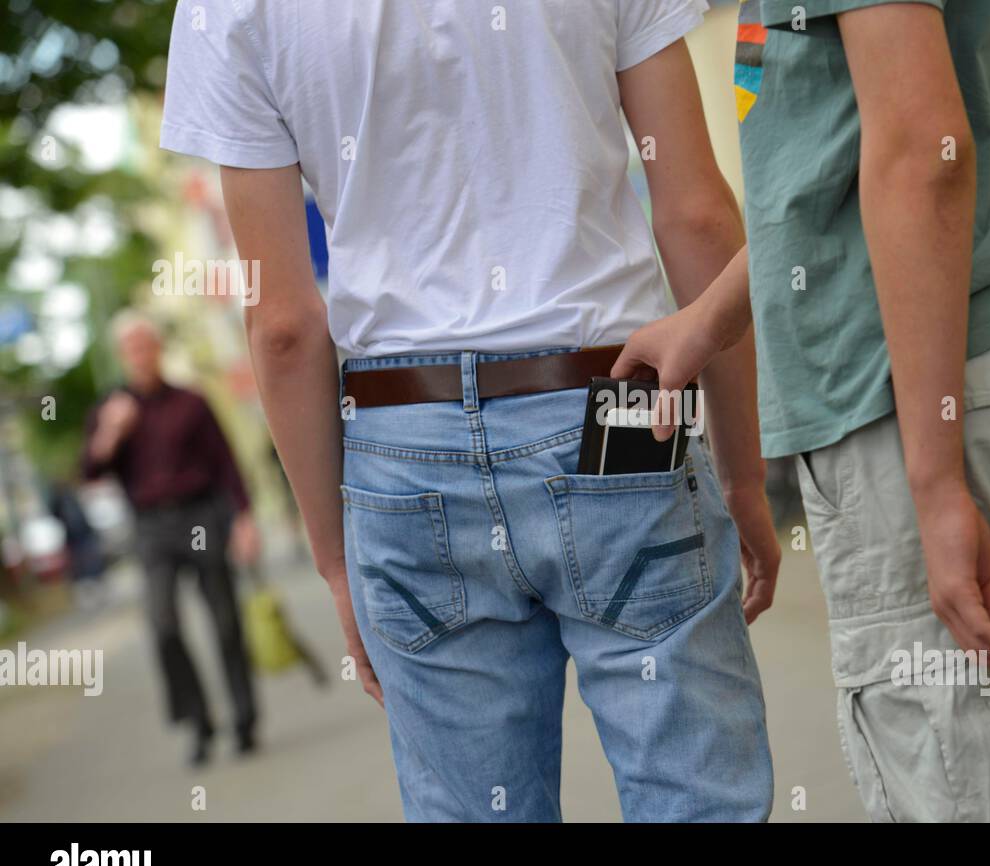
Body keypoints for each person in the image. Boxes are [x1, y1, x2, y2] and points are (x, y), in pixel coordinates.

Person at [159, 0, 779, 822]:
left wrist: (335, 560)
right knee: (697, 797)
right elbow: (697, 215)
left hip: (402, 440)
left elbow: (283, 328)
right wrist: (742, 474)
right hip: (617, 406)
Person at [617, 0, 990, 821]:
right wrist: (713, 316)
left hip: (935, 389)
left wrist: (936, 478)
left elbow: (922, 148)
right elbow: (857, 145)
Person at [82, 312, 261, 765]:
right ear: (123, 357)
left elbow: (225, 461)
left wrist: (243, 519)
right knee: (163, 625)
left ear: (158, 349)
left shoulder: (191, 401)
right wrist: (111, 432)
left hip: (201, 517)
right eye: (132, 349)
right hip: (151, 527)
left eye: (147, 345)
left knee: (224, 618)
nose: (141, 356)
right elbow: (90, 471)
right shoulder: (111, 410)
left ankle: (244, 717)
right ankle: (198, 723)